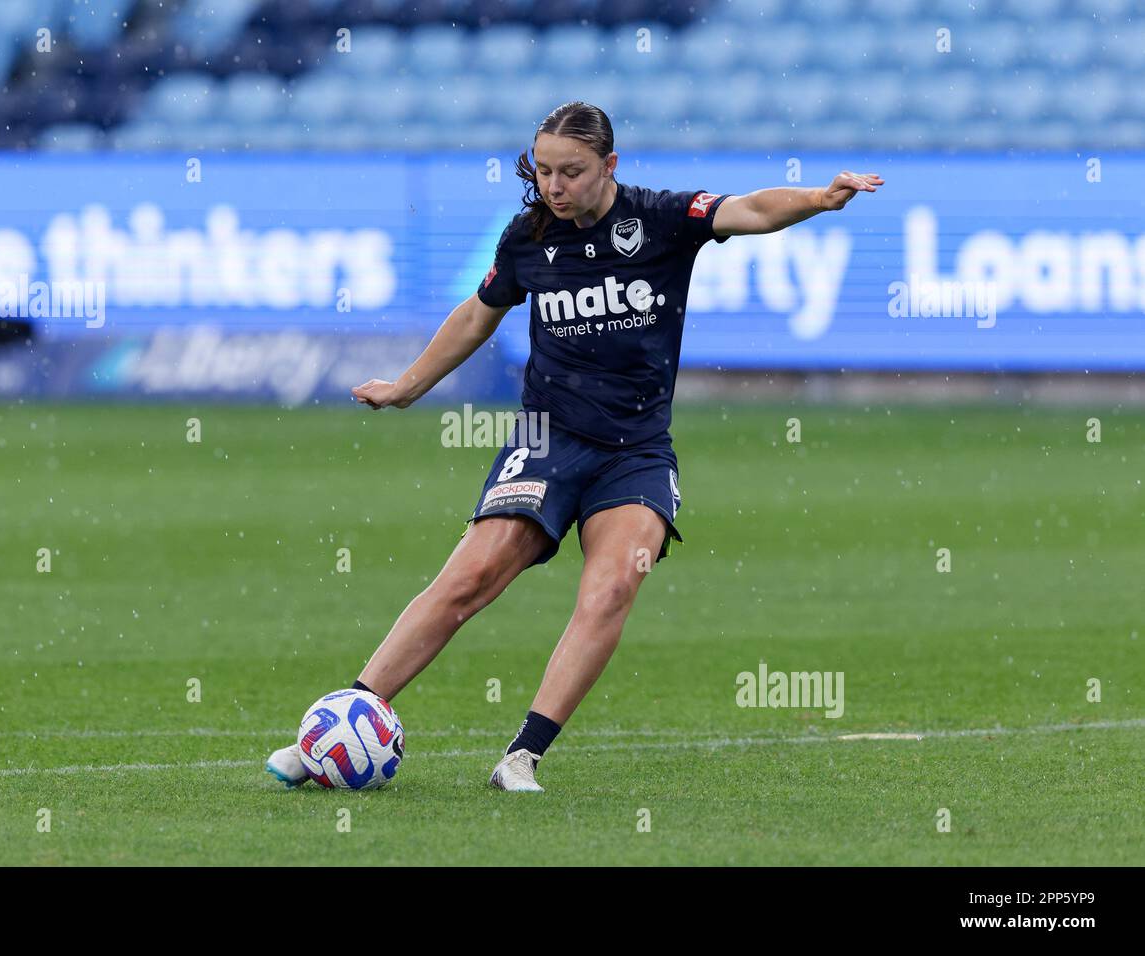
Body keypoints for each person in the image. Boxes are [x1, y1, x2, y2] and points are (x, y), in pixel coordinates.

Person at [267, 101, 882, 792]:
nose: (554, 186)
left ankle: (521, 757)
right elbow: (477, 313)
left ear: (609, 166)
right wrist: (410, 385)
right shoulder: (528, 238)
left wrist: (819, 201)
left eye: (571, 172)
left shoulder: (662, 219)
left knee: (615, 583)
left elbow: (752, 210)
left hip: (637, 449)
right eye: (544, 171)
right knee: (468, 579)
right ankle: (342, 722)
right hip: (545, 435)